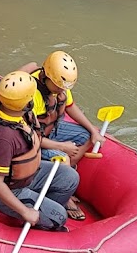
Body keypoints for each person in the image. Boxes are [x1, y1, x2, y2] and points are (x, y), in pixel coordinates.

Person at [0, 71, 80, 232]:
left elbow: (29, 68)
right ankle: (37, 218)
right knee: (59, 216)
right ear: (25, 102)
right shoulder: (3, 137)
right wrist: (25, 211)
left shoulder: (9, 107)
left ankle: (42, 208)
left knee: (70, 177)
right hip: (10, 188)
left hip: (27, 175)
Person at [29, 51, 101, 220]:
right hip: (35, 140)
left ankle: (69, 172)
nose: (62, 90)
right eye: (58, 86)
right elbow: (30, 136)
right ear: (47, 76)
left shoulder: (60, 85)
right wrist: (62, 147)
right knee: (63, 158)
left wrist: (92, 130)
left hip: (52, 129)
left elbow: (70, 106)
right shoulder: (32, 94)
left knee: (86, 136)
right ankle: (65, 195)